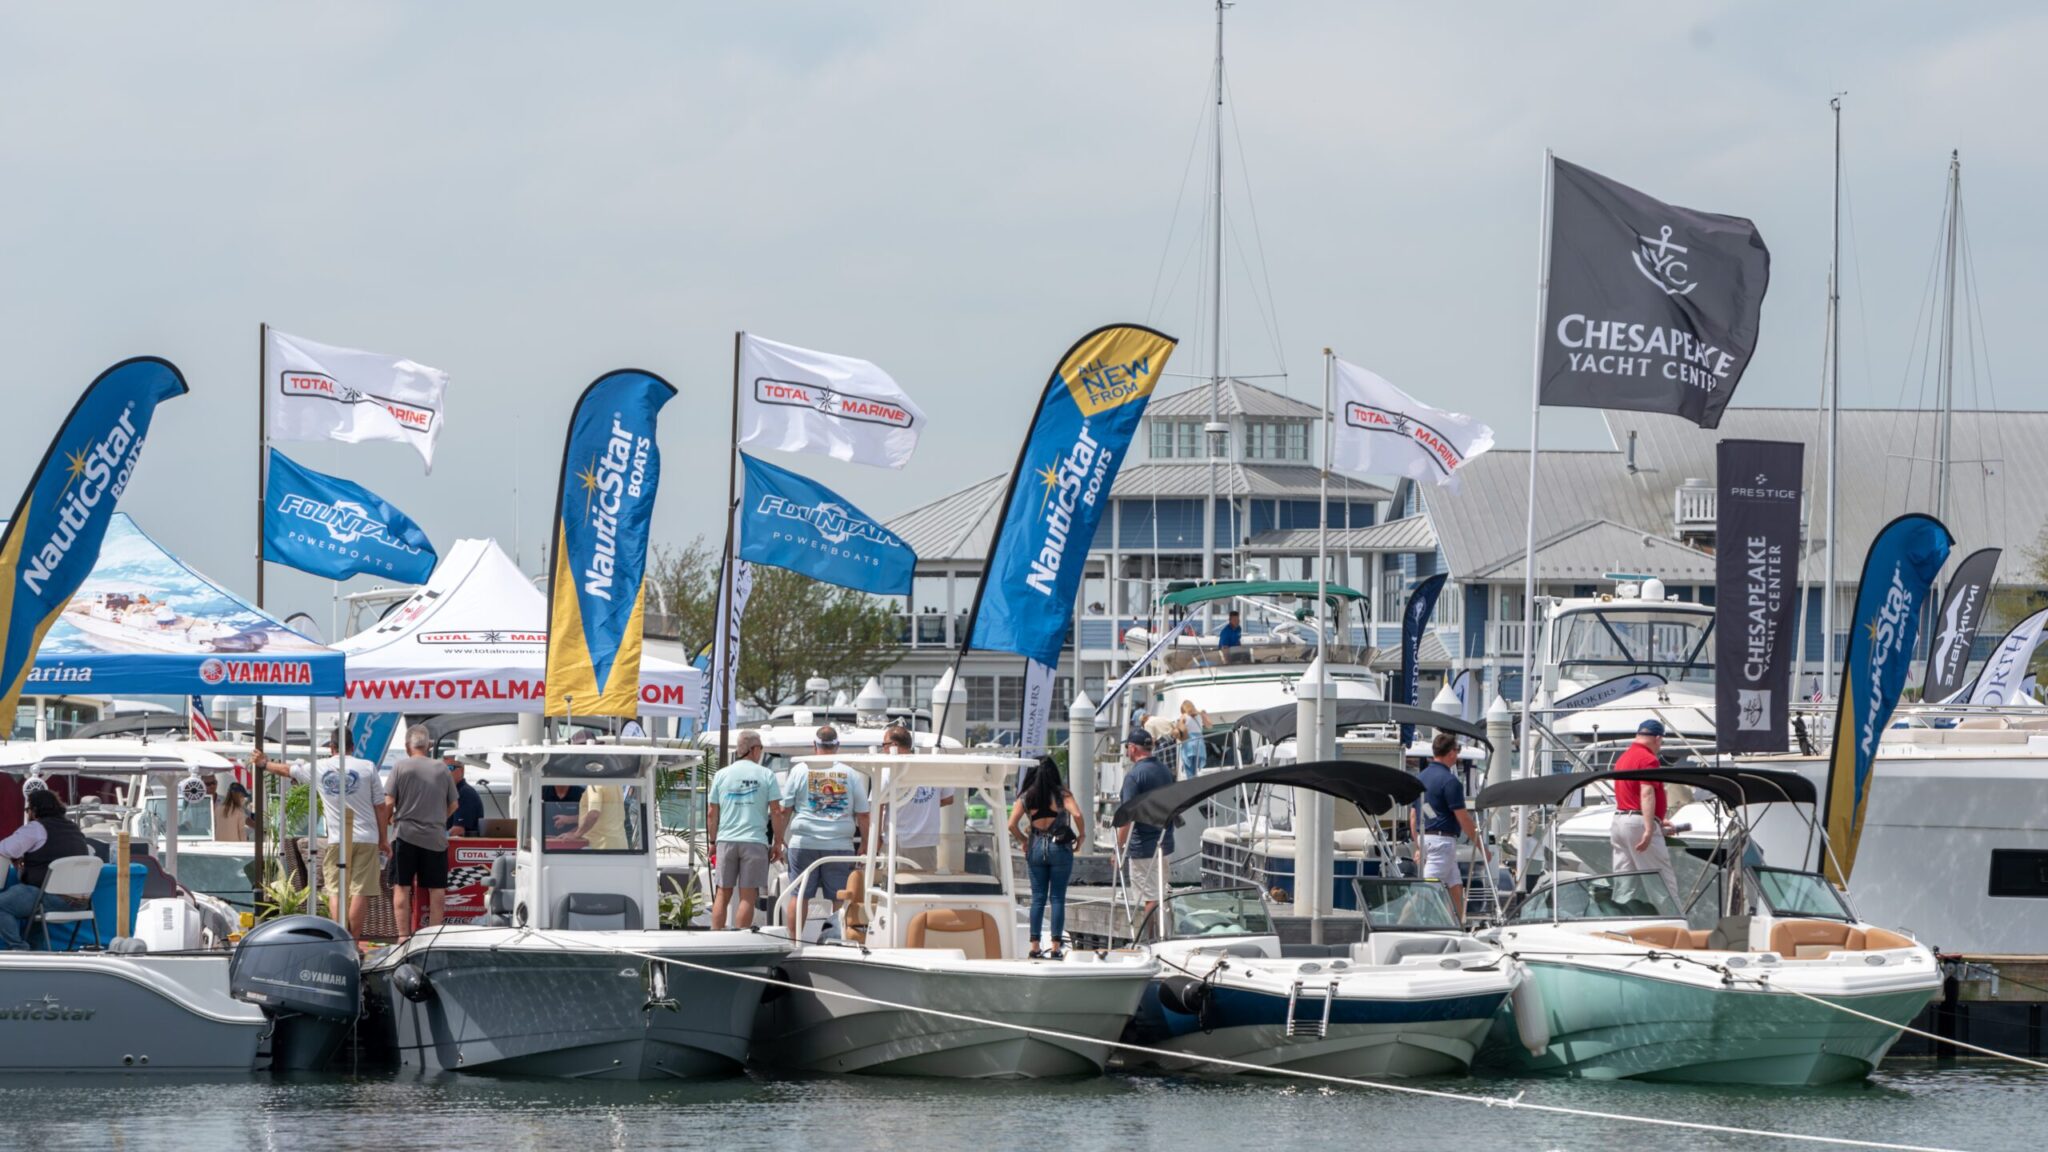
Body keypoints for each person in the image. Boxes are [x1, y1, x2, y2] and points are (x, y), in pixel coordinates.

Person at [256, 729, 388, 941]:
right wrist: (383, 839)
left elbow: (288, 770)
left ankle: (339, 940)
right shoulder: (367, 767)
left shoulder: (319, 768)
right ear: (352, 747)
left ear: (331, 748)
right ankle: (352, 941)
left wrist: (264, 763)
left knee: (335, 890)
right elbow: (380, 807)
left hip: (337, 840)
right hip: (367, 837)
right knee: (360, 891)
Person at [773, 726, 871, 928]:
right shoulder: (850, 774)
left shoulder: (800, 770)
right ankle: (838, 942)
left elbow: (784, 811)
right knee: (839, 898)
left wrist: (778, 840)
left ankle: (794, 943)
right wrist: (865, 845)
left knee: (799, 896)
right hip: (839, 846)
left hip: (803, 844)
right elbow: (863, 814)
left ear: (814, 745)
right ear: (837, 746)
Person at [386, 725, 461, 941]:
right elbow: (454, 804)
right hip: (435, 838)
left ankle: (403, 937)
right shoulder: (441, 769)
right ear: (428, 746)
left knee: (402, 887)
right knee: (437, 889)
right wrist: (438, 819)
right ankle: (433, 937)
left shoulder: (400, 767)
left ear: (408, 746)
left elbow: (389, 801)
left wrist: (389, 821)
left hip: (405, 835)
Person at [1008, 756, 1085, 958]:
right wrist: (1082, 835)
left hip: (1035, 846)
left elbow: (1011, 824)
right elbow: (1076, 814)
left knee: (1038, 898)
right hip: (1059, 847)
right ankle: (1056, 947)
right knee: (1057, 897)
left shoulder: (1026, 796)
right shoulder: (1061, 794)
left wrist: (1024, 840)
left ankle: (1034, 948)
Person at [0, 790, 92, 950]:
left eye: (27, 810)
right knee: (32, 900)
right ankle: (37, 950)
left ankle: (19, 949)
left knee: (5, 904)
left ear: (34, 810)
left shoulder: (36, 828)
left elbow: (6, 849)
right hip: (81, 902)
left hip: (50, 898)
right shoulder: (74, 828)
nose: (27, 814)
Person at [707, 730, 779, 929]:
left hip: (726, 840)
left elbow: (712, 813)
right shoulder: (767, 775)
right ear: (754, 749)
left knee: (723, 892)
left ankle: (715, 937)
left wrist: (713, 842)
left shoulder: (722, 775)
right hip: (755, 841)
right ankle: (740, 938)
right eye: (761, 749)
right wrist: (778, 843)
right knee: (748, 895)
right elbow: (776, 811)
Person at [1412, 732, 1487, 922]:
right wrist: (1481, 847)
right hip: (1442, 842)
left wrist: (1418, 846)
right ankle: (1402, 925)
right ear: (1451, 753)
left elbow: (1414, 816)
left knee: (1455, 886)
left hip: (1425, 838)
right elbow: (1463, 818)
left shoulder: (1420, 778)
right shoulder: (1450, 781)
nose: (1458, 754)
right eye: (1458, 750)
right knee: (1425, 890)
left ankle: (1459, 926)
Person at [1610, 718, 1682, 908]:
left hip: (1619, 821)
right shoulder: (1648, 759)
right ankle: (1674, 923)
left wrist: (1658, 819)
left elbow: (1628, 793)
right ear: (1658, 738)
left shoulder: (1623, 758)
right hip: (1638, 823)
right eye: (1662, 742)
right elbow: (1646, 792)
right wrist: (1650, 828)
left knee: (1625, 883)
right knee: (1662, 882)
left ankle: (1621, 924)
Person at [1116, 729, 1175, 938]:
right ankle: (1164, 936)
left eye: (1127, 747)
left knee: (1150, 896)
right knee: (1160, 892)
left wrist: (1119, 848)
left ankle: (1150, 940)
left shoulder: (1134, 776)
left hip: (1143, 847)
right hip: (1165, 843)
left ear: (1132, 748)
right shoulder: (1165, 771)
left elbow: (1127, 815)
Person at [876, 725, 952, 870]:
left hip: (896, 842)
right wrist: (926, 805)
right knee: (924, 889)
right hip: (927, 842)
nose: (883, 749)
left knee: (892, 887)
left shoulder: (888, 771)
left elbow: (876, 805)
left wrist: (875, 840)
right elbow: (948, 798)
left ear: (894, 745)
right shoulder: (935, 768)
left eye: (884, 745)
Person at [445, 756, 484, 837]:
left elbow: (458, 831)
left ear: (461, 770)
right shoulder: (451, 793)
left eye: (449, 768)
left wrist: (435, 837)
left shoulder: (465, 793)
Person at [1177, 700, 1209, 780]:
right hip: (1199, 744)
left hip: (1189, 744)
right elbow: (1209, 726)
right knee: (1195, 770)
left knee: (1189, 770)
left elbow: (1179, 730)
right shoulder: (1199, 715)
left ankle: (1192, 787)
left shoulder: (1184, 716)